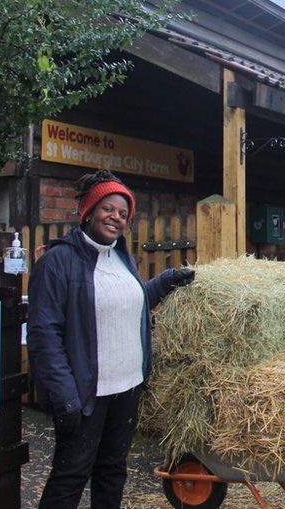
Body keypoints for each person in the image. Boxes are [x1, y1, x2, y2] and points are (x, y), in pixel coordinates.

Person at [27, 170, 194, 508]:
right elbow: (44, 334)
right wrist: (66, 397)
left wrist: (165, 281)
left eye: (122, 213)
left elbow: (129, 303)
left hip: (127, 388)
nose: (115, 217)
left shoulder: (120, 256)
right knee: (71, 475)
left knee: (112, 472)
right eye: (108, 209)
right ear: (88, 211)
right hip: (86, 394)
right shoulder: (58, 261)